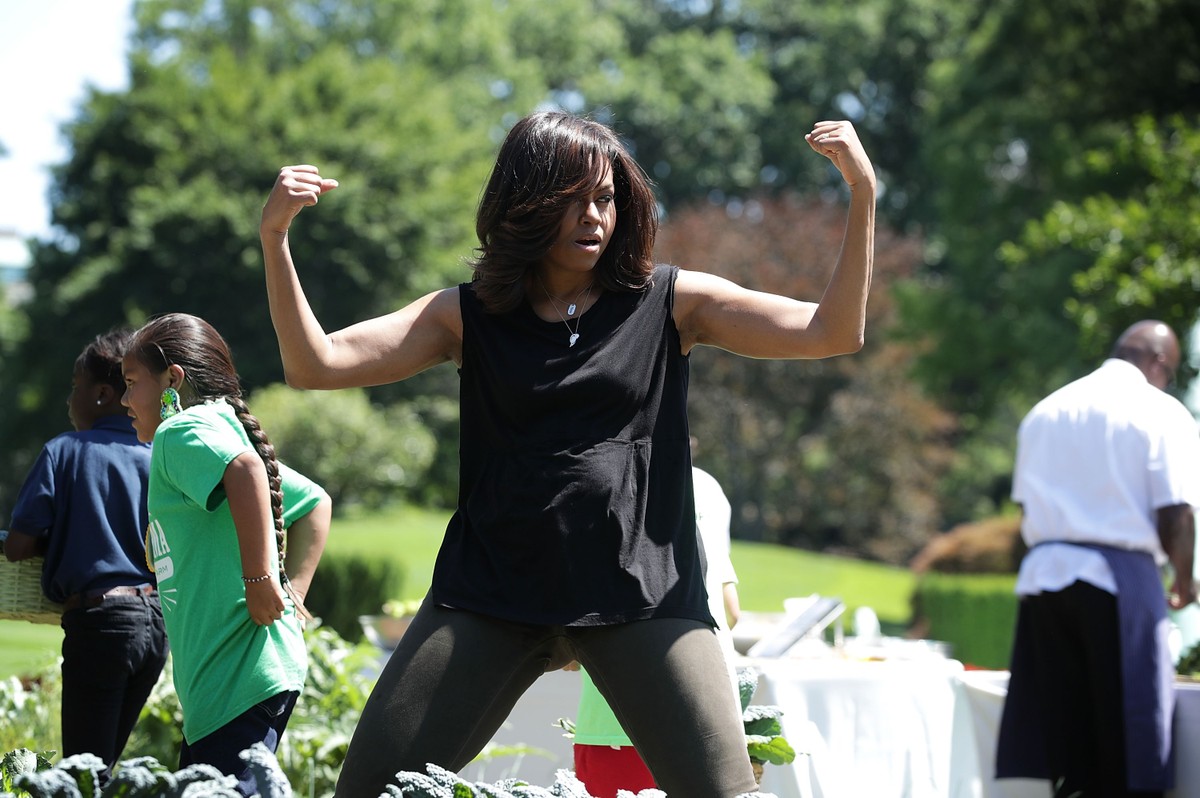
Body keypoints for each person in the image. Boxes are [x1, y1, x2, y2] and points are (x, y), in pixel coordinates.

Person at [259, 109, 875, 798]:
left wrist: (862, 195)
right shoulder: (465, 315)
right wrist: (276, 237)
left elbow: (831, 330)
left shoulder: (673, 302)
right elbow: (317, 364)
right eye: (573, 200)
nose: (594, 217)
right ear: (527, 203)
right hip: (490, 594)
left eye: (606, 198)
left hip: (641, 595)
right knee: (366, 794)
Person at [120, 312, 332, 797]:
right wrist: (292, 590)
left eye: (132, 383)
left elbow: (244, 470)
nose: (126, 400)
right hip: (228, 686)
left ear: (172, 380)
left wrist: (264, 584)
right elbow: (314, 502)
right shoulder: (215, 428)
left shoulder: (181, 433)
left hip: (240, 679)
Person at [996, 320, 1200, 797]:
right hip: (1118, 578)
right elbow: (1176, 511)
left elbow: (1027, 510)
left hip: (1044, 581)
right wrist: (1184, 580)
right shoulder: (1158, 409)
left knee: (1062, 730)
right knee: (1127, 728)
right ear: (1158, 363)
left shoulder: (1048, 409)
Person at [5, 328, 168, 784]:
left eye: (76, 388)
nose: (70, 400)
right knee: (104, 772)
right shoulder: (157, 454)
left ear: (101, 393)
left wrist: (63, 536)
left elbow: (17, 546)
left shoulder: (64, 451)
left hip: (100, 624)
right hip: (156, 625)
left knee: (82, 776)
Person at [572, 464, 742, 797]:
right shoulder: (706, 485)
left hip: (616, 720)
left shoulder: (596, 470)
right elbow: (731, 610)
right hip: (713, 715)